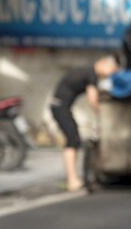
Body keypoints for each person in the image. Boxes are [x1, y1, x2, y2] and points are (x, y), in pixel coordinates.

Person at [49, 54, 119, 191]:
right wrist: (103, 115)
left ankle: (73, 178)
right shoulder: (91, 75)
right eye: (112, 70)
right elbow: (92, 100)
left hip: (61, 106)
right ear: (104, 64)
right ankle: (72, 180)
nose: (111, 74)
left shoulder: (86, 72)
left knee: (74, 140)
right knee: (73, 140)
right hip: (60, 107)